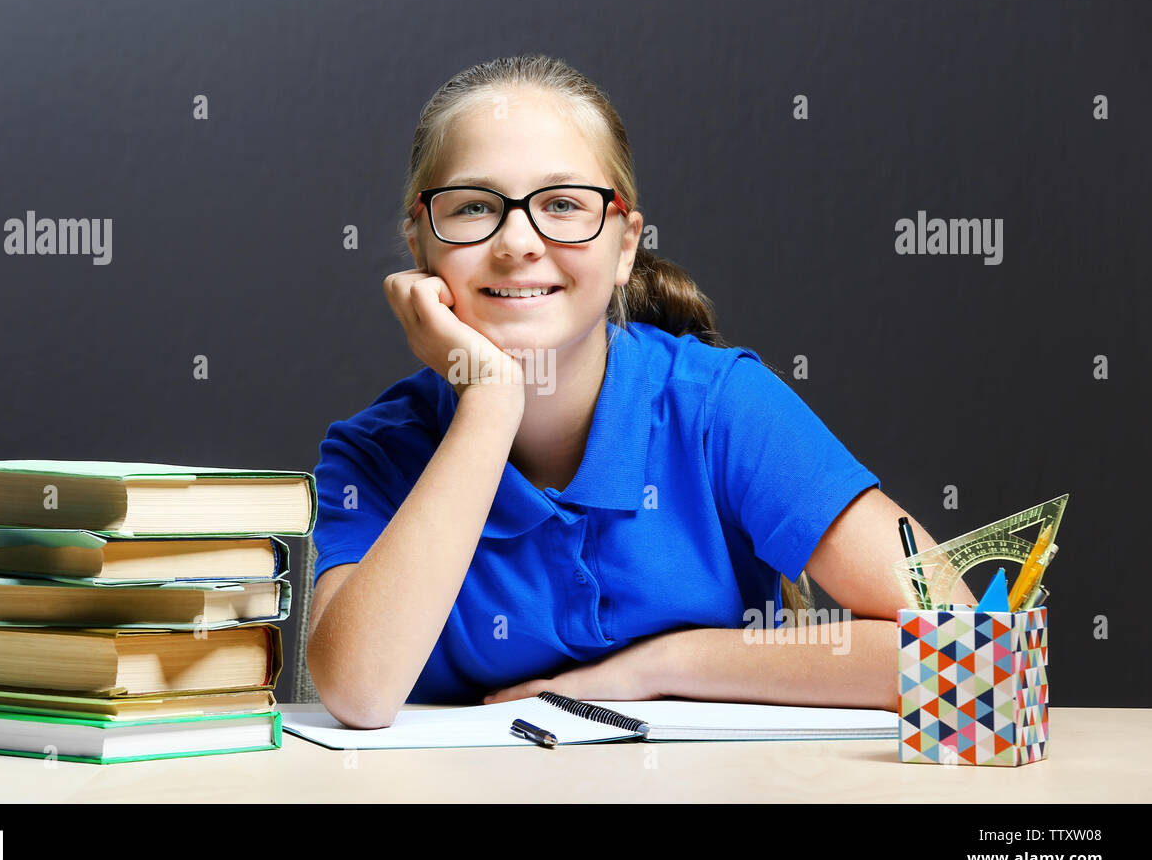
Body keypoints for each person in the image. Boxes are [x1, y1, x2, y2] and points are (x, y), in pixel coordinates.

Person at [306, 53, 973, 729]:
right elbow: (357, 693)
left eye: (563, 204)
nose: (517, 243)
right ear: (420, 245)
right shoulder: (373, 453)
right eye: (475, 207)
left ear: (625, 245)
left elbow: (970, 644)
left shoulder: (721, 408)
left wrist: (660, 668)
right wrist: (489, 401)